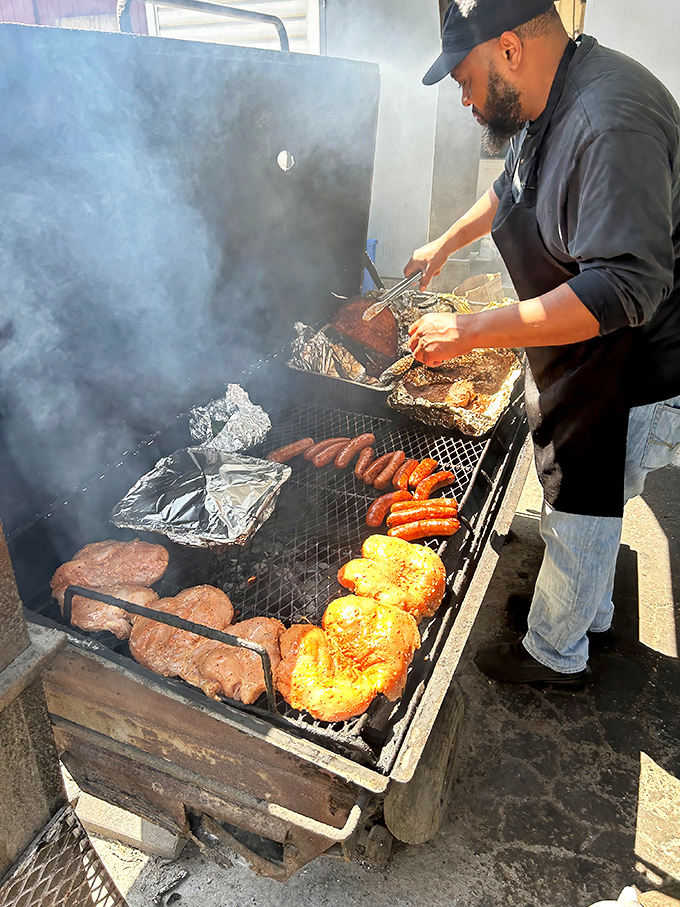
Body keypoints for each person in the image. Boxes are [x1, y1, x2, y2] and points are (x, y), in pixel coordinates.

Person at [406, 0, 680, 687]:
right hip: (599, 354)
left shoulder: (604, 122)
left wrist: (469, 327)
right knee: (588, 498)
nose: (465, 100)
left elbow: (622, 290)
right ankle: (585, 611)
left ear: (509, 48)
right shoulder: (548, 97)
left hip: (641, 360)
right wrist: (445, 242)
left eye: (465, 80)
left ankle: (557, 654)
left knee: (587, 499)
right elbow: (510, 189)